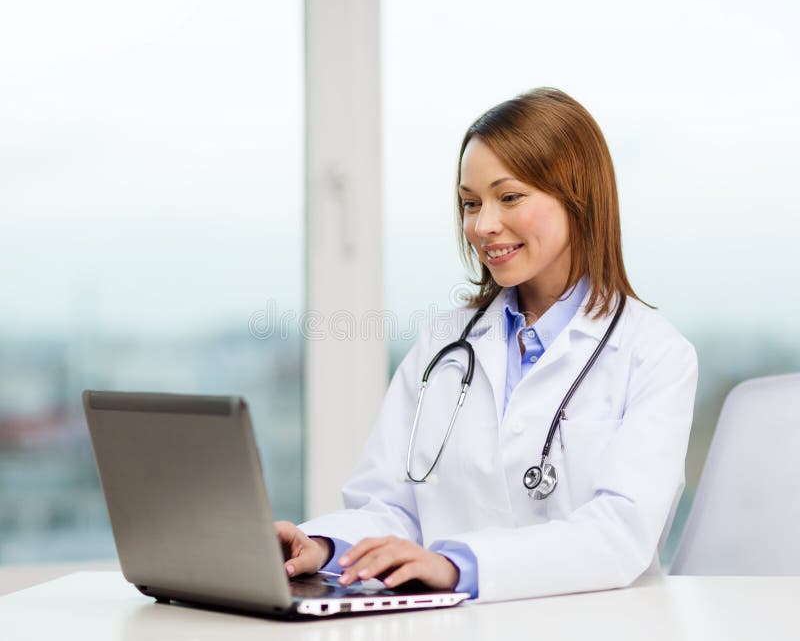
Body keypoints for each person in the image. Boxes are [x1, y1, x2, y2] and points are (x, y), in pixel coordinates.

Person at [275, 87, 698, 603]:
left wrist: (457, 566)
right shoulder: (445, 343)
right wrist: (320, 545)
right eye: (470, 203)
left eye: (509, 197)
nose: (482, 225)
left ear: (578, 195)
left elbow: (620, 533)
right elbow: (392, 507)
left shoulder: (654, 355)